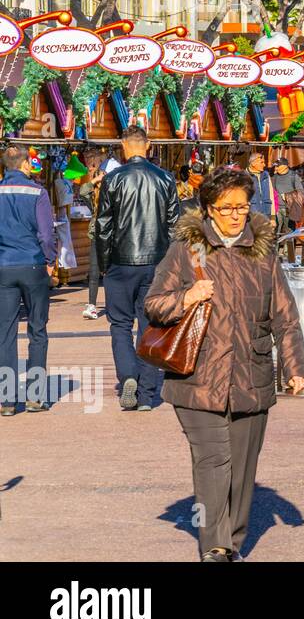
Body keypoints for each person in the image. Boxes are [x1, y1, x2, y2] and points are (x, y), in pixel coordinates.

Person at [143, 168, 304, 561]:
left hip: (251, 374)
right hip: (197, 377)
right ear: (209, 209)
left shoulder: (263, 253)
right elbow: (154, 303)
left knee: (243, 466)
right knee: (213, 460)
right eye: (227, 208)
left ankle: (232, 540)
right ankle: (215, 545)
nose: (236, 215)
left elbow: (285, 316)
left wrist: (295, 369)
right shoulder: (189, 249)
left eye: (242, 206)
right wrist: (186, 296)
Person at [95, 126, 180, 413]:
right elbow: (174, 226)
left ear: (123, 146)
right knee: (150, 326)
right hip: (155, 261)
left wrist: (104, 264)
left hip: (120, 260)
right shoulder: (165, 179)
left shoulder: (113, 179)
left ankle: (127, 375)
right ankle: (146, 393)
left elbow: (103, 226)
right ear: (149, 145)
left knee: (119, 324)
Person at [0, 146, 57, 415]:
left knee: (5, 334)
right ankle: (35, 397)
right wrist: (49, 260)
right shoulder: (38, 192)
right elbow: (46, 233)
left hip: (4, 267)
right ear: (24, 165)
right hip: (33, 265)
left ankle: (7, 400)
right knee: (37, 330)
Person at [81, 151, 109, 320]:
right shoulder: (93, 198)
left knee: (107, 271)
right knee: (95, 271)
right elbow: (83, 191)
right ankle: (92, 305)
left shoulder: (110, 195)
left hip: (107, 235)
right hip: (98, 235)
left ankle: (110, 304)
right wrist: (95, 180)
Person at [271, 157, 304, 233]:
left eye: (277, 166)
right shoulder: (274, 177)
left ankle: (288, 245)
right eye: (275, 166)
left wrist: (287, 196)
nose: (275, 168)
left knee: (289, 233)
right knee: (275, 233)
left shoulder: (293, 176)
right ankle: (277, 245)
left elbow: (302, 193)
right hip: (276, 209)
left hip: (289, 209)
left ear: (285, 166)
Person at [243, 152, 276, 220]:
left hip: (266, 214)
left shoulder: (266, 175)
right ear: (253, 163)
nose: (264, 165)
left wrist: (273, 217)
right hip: (252, 215)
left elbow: (271, 196)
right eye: (261, 162)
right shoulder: (244, 176)